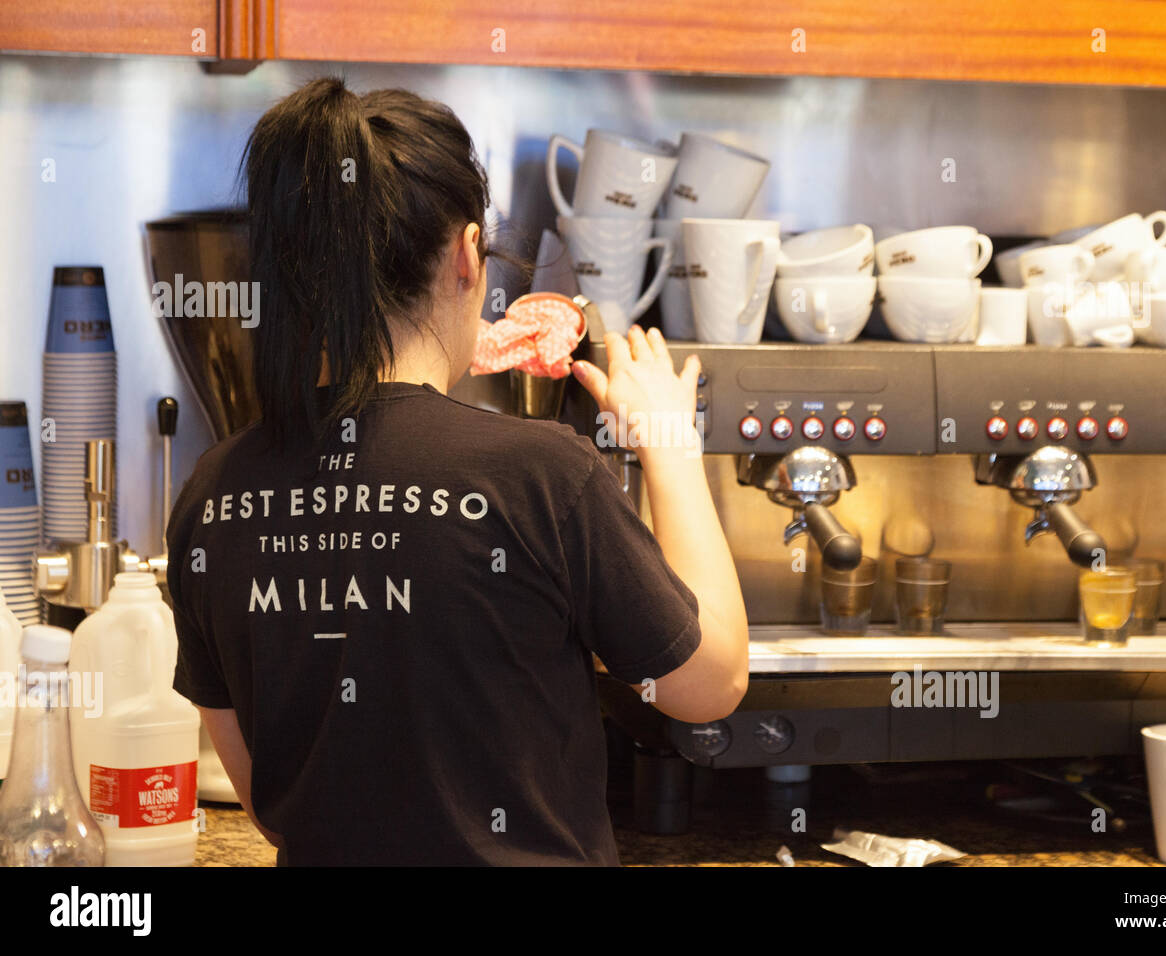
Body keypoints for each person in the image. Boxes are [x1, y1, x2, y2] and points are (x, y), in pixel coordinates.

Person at [165, 77, 749, 865]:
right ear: (467, 253)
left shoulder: (210, 496)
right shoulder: (542, 475)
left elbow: (274, 808)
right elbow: (709, 685)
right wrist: (672, 448)